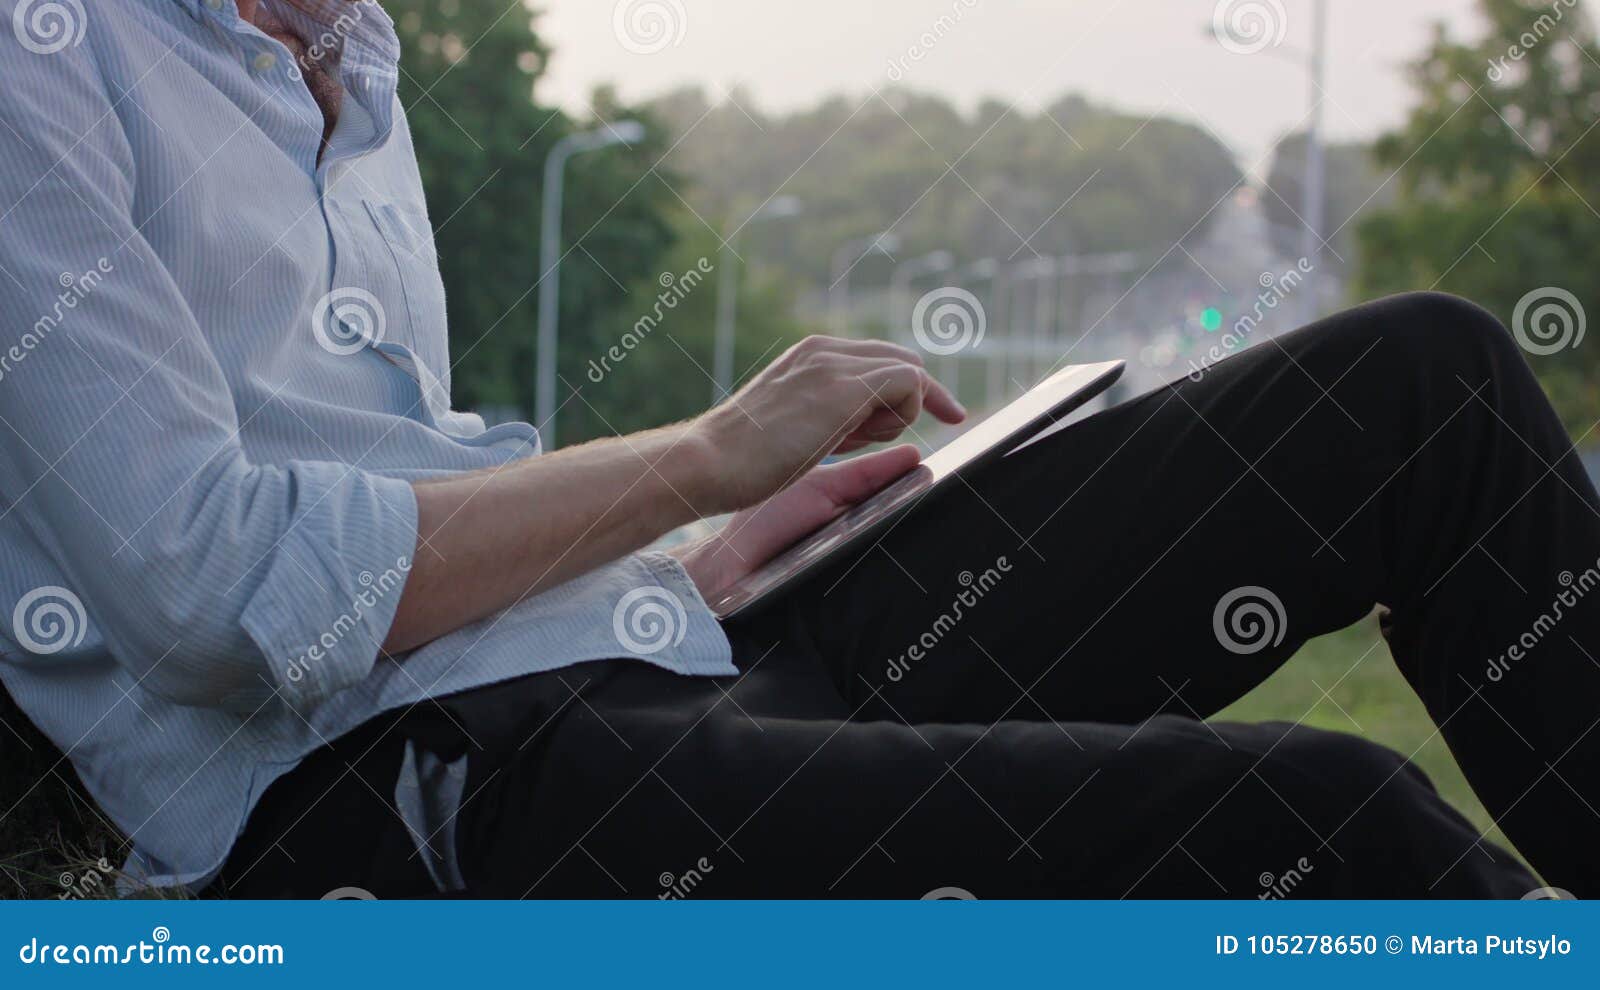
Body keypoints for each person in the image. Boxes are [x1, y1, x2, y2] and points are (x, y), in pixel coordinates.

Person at [0, 0, 1590, 899]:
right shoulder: (42, 66)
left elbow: (398, 463)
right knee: (1330, 828)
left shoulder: (353, 53)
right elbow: (208, 587)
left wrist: (669, 551)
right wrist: (699, 454)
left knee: (1416, 390)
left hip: (635, 644)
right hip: (389, 811)